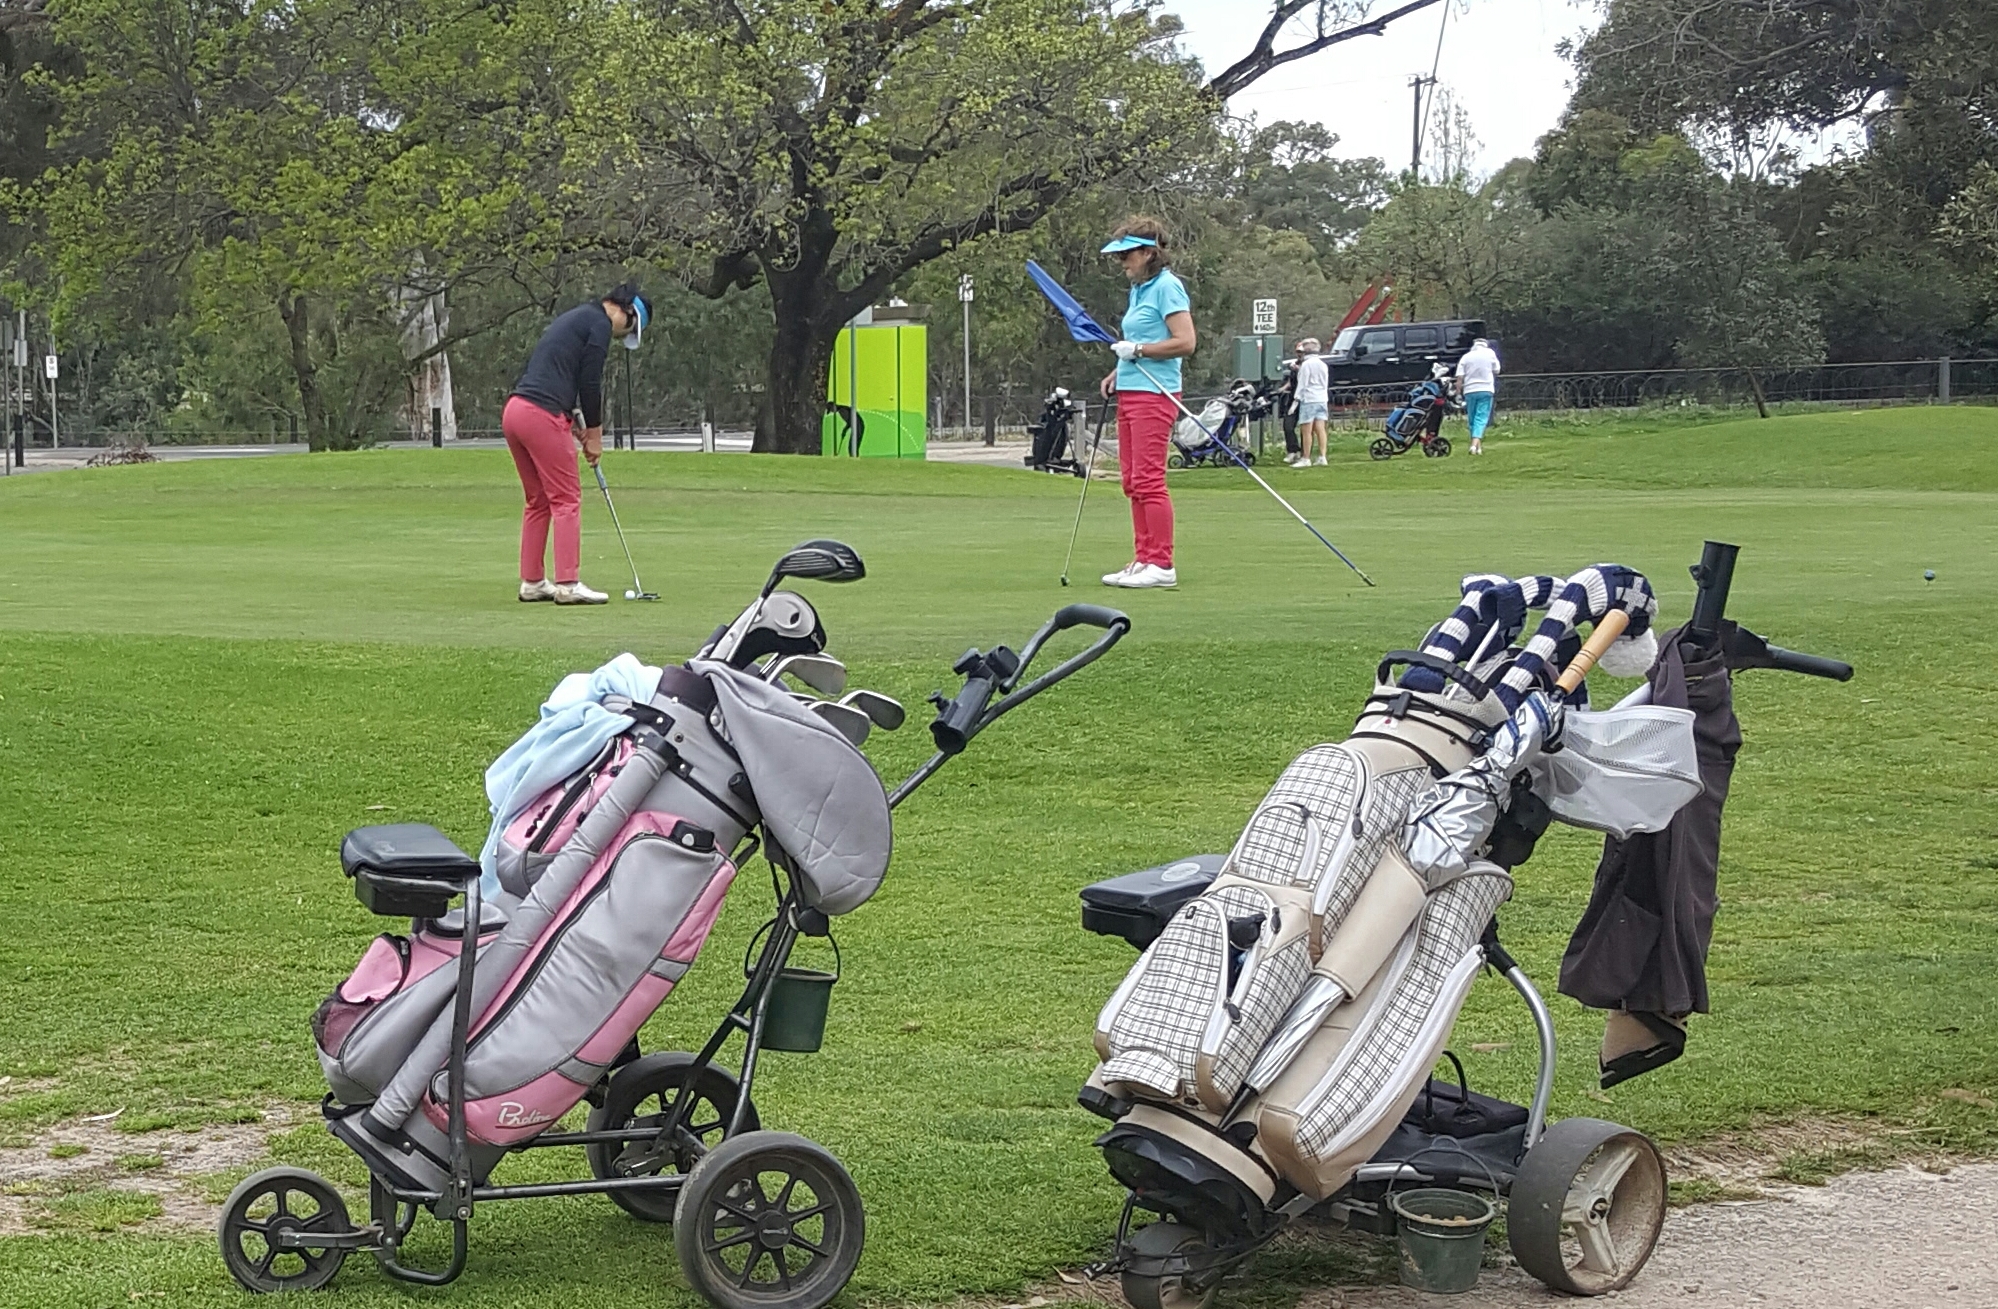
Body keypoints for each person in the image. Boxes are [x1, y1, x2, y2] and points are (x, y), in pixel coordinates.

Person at [504, 283, 649, 604]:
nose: (622, 334)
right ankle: (567, 584)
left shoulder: (579, 317)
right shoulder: (599, 323)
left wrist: (578, 424)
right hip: (540, 414)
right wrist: (595, 436)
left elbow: (561, 375)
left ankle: (532, 581)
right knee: (567, 498)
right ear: (625, 311)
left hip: (516, 411)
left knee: (538, 499)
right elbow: (589, 382)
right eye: (631, 326)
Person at [1097, 218, 1195, 590]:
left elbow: (1185, 342)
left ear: (1149, 252)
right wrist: (1118, 369)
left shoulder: (1168, 287)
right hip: (1131, 389)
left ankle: (1162, 564)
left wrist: (1137, 350)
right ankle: (1143, 558)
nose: (1122, 262)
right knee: (1132, 480)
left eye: (1127, 254)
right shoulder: (1139, 289)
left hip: (1156, 394)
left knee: (1150, 480)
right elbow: (1139, 340)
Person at [1454, 336, 1500, 455]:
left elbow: (1459, 377)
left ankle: (1478, 448)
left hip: (1469, 390)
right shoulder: (1490, 353)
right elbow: (1497, 370)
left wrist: (1458, 393)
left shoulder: (1466, 357)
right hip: (1486, 389)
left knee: (1472, 419)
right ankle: (1474, 446)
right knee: (1481, 418)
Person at [1291, 338, 1329, 466]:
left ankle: (1306, 458)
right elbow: (1325, 383)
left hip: (1309, 398)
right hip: (1321, 398)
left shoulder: (1306, 365)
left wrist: (1296, 400)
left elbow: (1302, 384)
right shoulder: (1323, 364)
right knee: (1320, 428)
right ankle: (1322, 456)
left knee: (1306, 430)